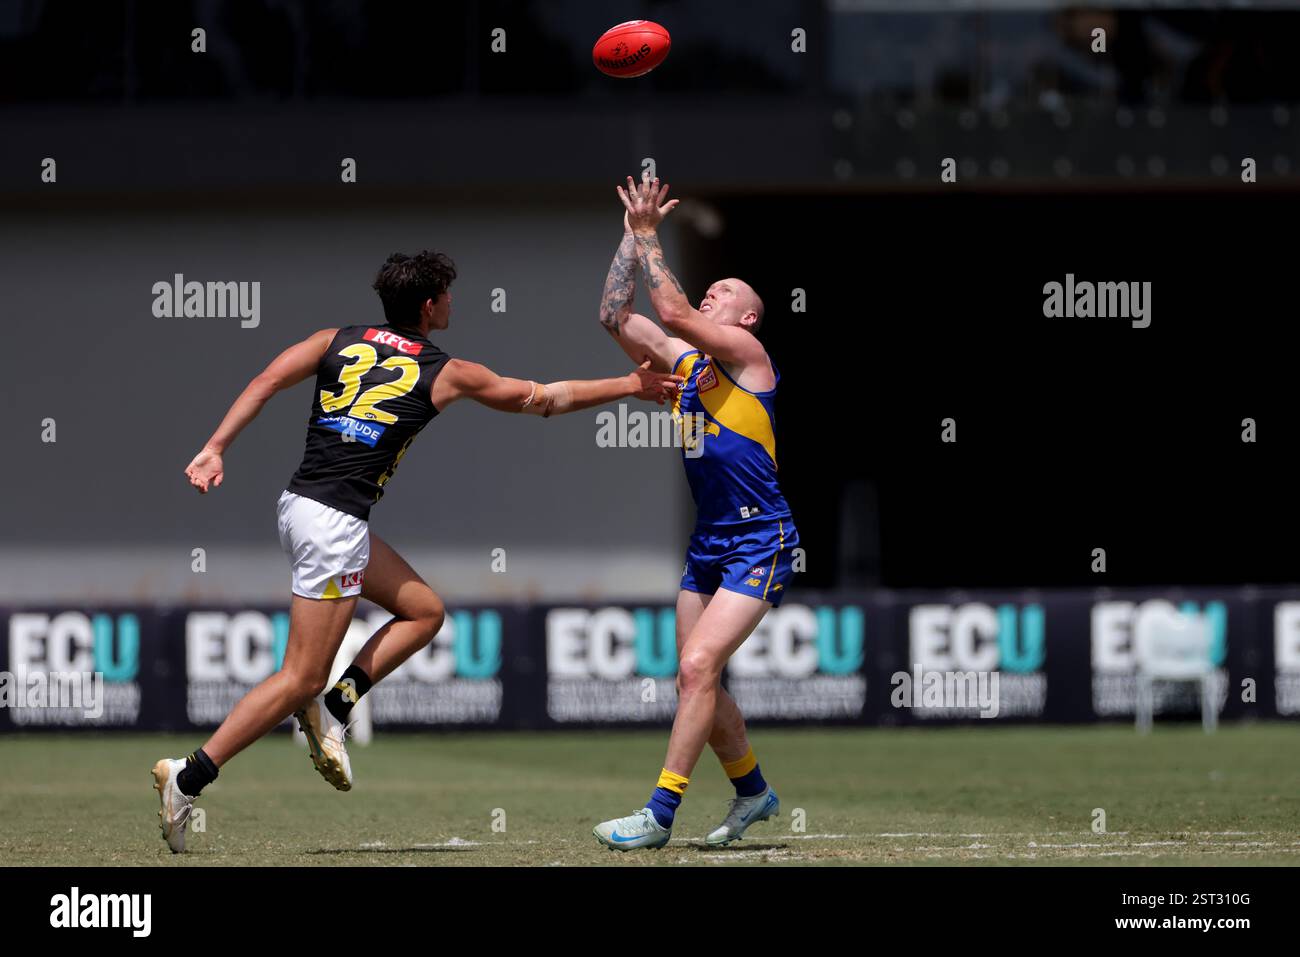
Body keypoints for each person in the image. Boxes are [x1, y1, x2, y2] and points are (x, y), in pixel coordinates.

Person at [154, 250, 682, 853]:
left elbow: (265, 381)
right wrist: (631, 385)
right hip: (333, 526)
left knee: (425, 611)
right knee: (299, 677)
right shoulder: (447, 370)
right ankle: (189, 776)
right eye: (449, 296)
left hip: (302, 506)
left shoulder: (336, 338)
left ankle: (336, 707)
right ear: (429, 306)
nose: (454, 303)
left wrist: (215, 446)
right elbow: (543, 399)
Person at [591, 175, 799, 849]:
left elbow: (676, 312)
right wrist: (631, 233)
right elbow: (614, 315)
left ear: (745, 319)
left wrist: (653, 236)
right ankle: (753, 792)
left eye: (726, 292)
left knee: (697, 668)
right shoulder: (688, 372)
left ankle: (657, 814)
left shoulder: (751, 358)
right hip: (708, 542)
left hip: (760, 538)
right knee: (696, 680)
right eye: (715, 287)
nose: (715, 292)